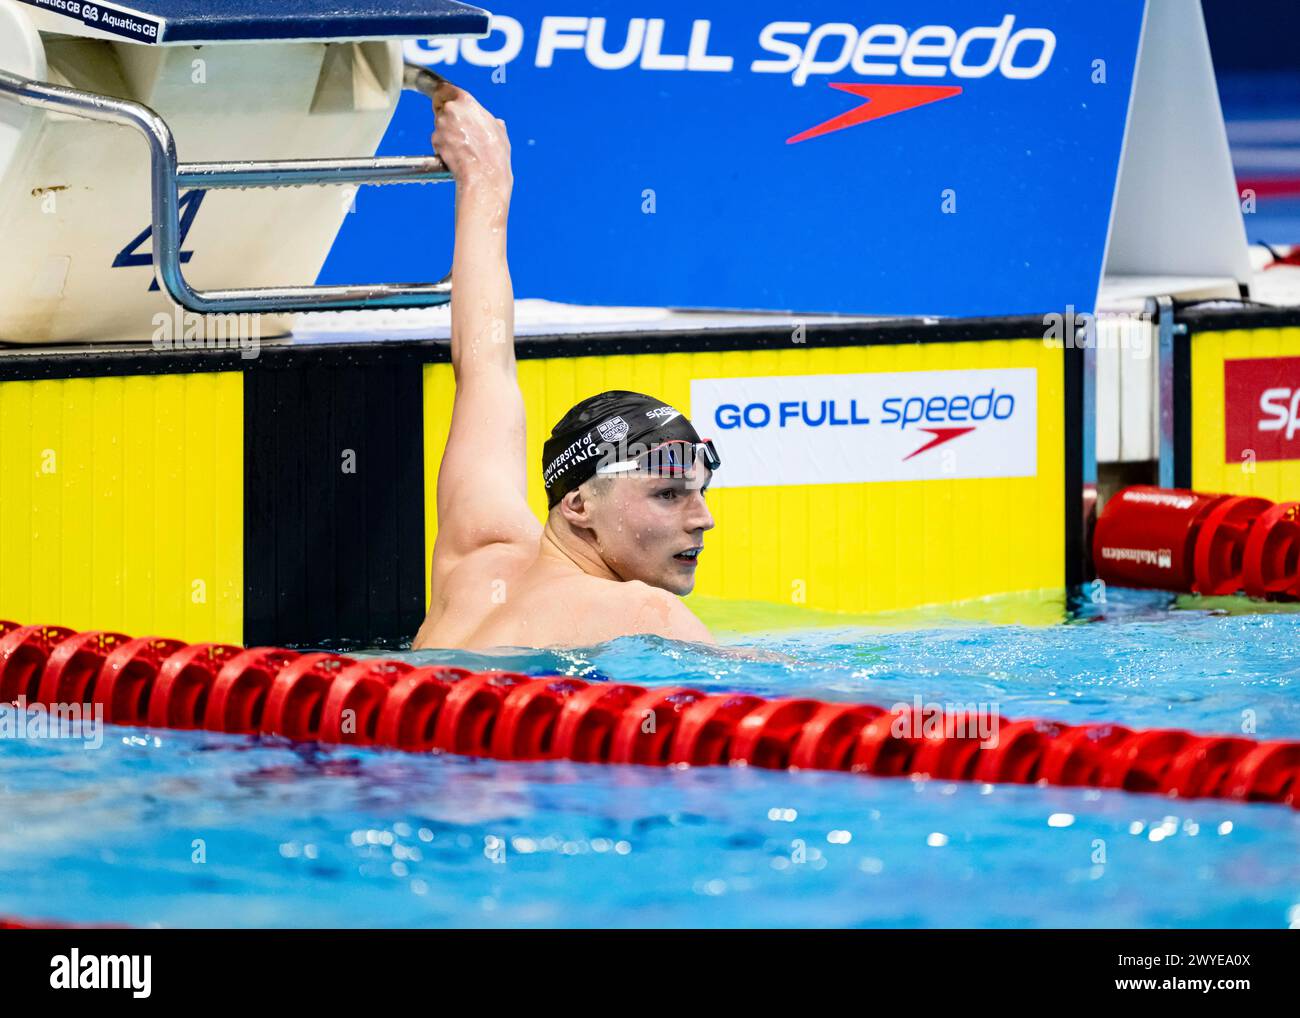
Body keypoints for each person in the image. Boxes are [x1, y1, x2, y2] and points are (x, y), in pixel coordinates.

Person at [412, 83, 719, 651]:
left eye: (700, 491)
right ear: (578, 505)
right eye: (668, 494)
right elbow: (800, 713)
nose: (702, 519)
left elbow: (484, 366)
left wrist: (486, 178)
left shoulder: (479, 556)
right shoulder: (642, 611)